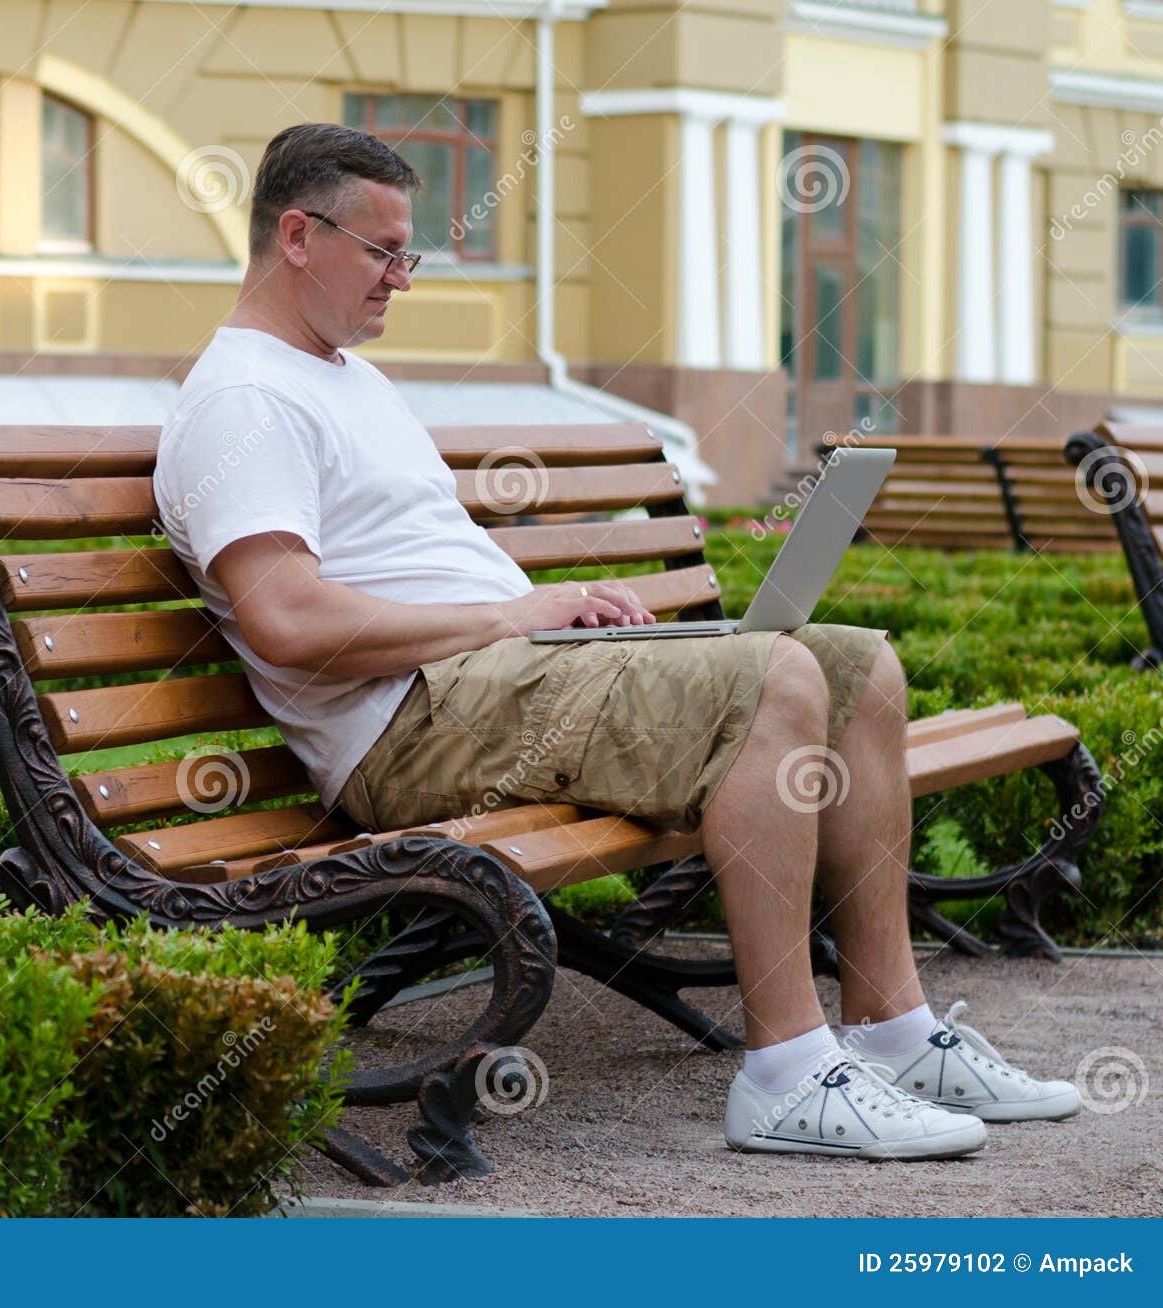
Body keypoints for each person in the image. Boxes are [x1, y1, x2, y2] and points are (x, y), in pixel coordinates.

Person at [153, 122, 1079, 1161]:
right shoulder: (244, 399)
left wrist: (560, 609)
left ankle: (895, 1027)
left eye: (408, 256)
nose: (400, 280)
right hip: (406, 726)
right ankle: (784, 1074)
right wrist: (513, 616)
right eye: (385, 253)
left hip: (489, 682)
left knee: (857, 667)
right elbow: (288, 622)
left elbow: (412, 565)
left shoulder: (346, 378)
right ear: (296, 235)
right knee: (771, 683)